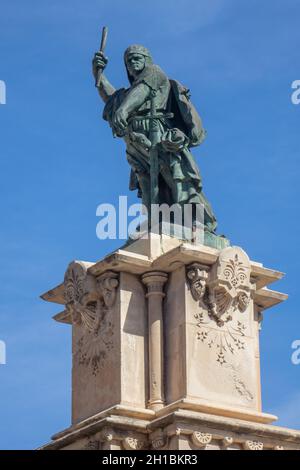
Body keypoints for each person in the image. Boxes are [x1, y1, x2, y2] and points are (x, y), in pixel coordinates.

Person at [92, 44, 217, 232]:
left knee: (172, 173)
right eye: (128, 61)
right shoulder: (128, 95)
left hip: (156, 132)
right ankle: (154, 219)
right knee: (144, 178)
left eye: (136, 58)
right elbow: (112, 99)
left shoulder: (154, 73)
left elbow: (140, 93)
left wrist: (124, 110)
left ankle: (195, 219)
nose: (132, 63)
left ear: (146, 60)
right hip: (133, 138)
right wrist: (98, 75)